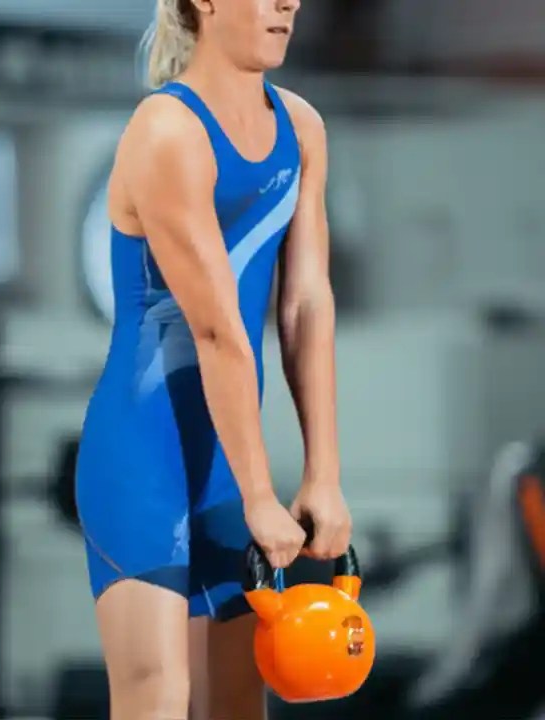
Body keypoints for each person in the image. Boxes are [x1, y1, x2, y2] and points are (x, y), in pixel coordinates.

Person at [73, 1, 353, 718]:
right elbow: (219, 331)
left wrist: (325, 475)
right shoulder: (166, 130)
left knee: (238, 700)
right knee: (159, 697)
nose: (288, 2)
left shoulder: (303, 128)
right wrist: (260, 496)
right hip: (143, 450)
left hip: (229, 455)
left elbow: (306, 305)